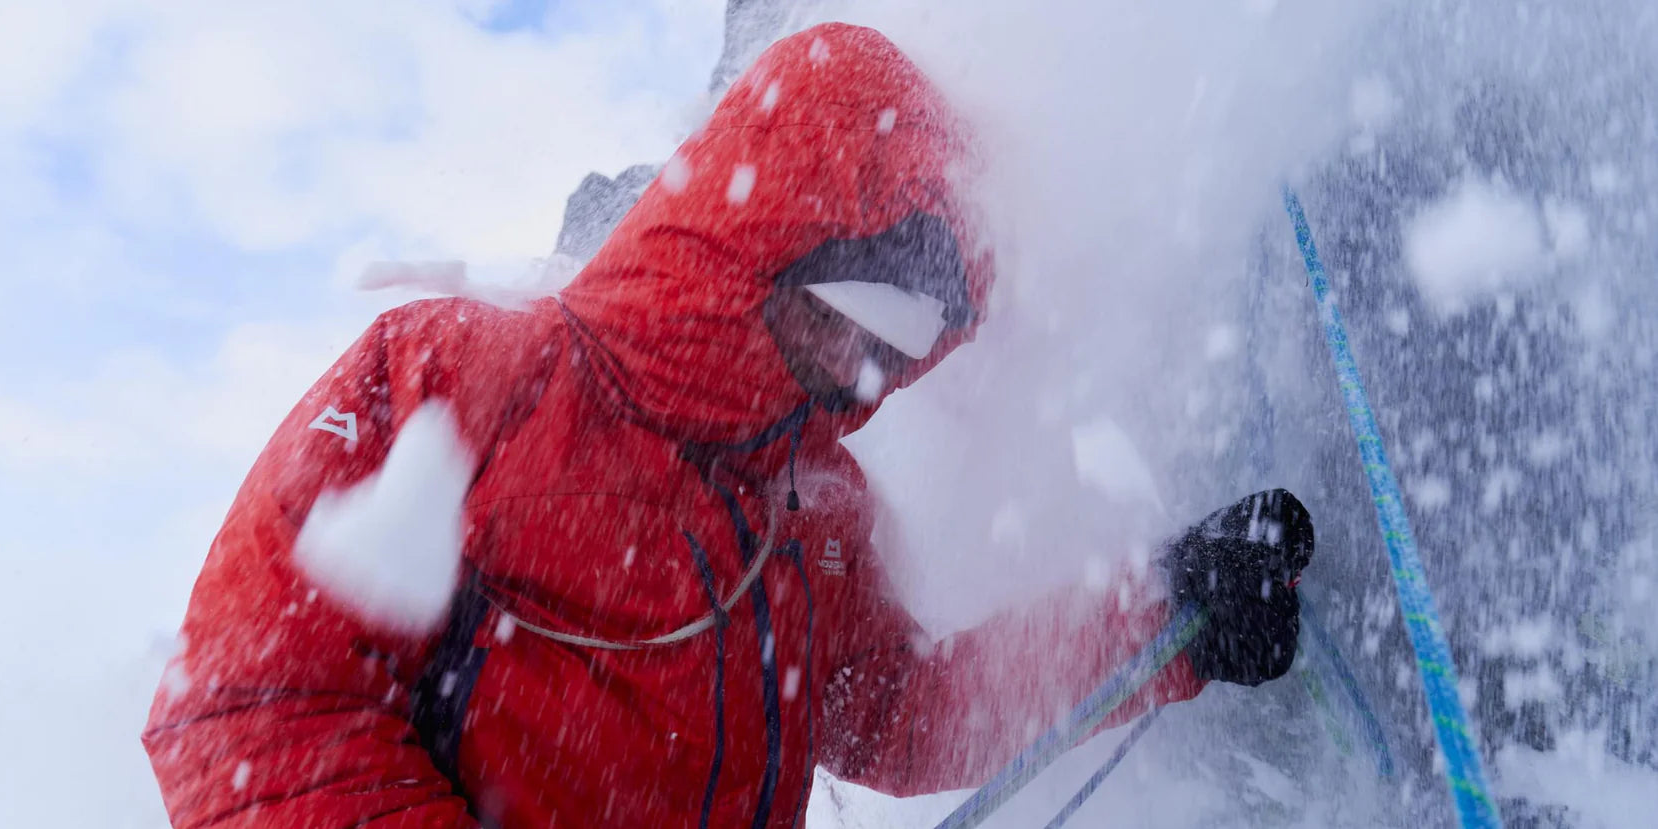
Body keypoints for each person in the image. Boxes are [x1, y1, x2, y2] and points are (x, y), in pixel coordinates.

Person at [142, 23, 1313, 829]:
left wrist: (1166, 613)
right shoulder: (454, 377)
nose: (860, 380)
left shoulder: (816, 504)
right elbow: (249, 704)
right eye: (841, 322)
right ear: (750, 240)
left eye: (897, 356)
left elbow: (895, 713)